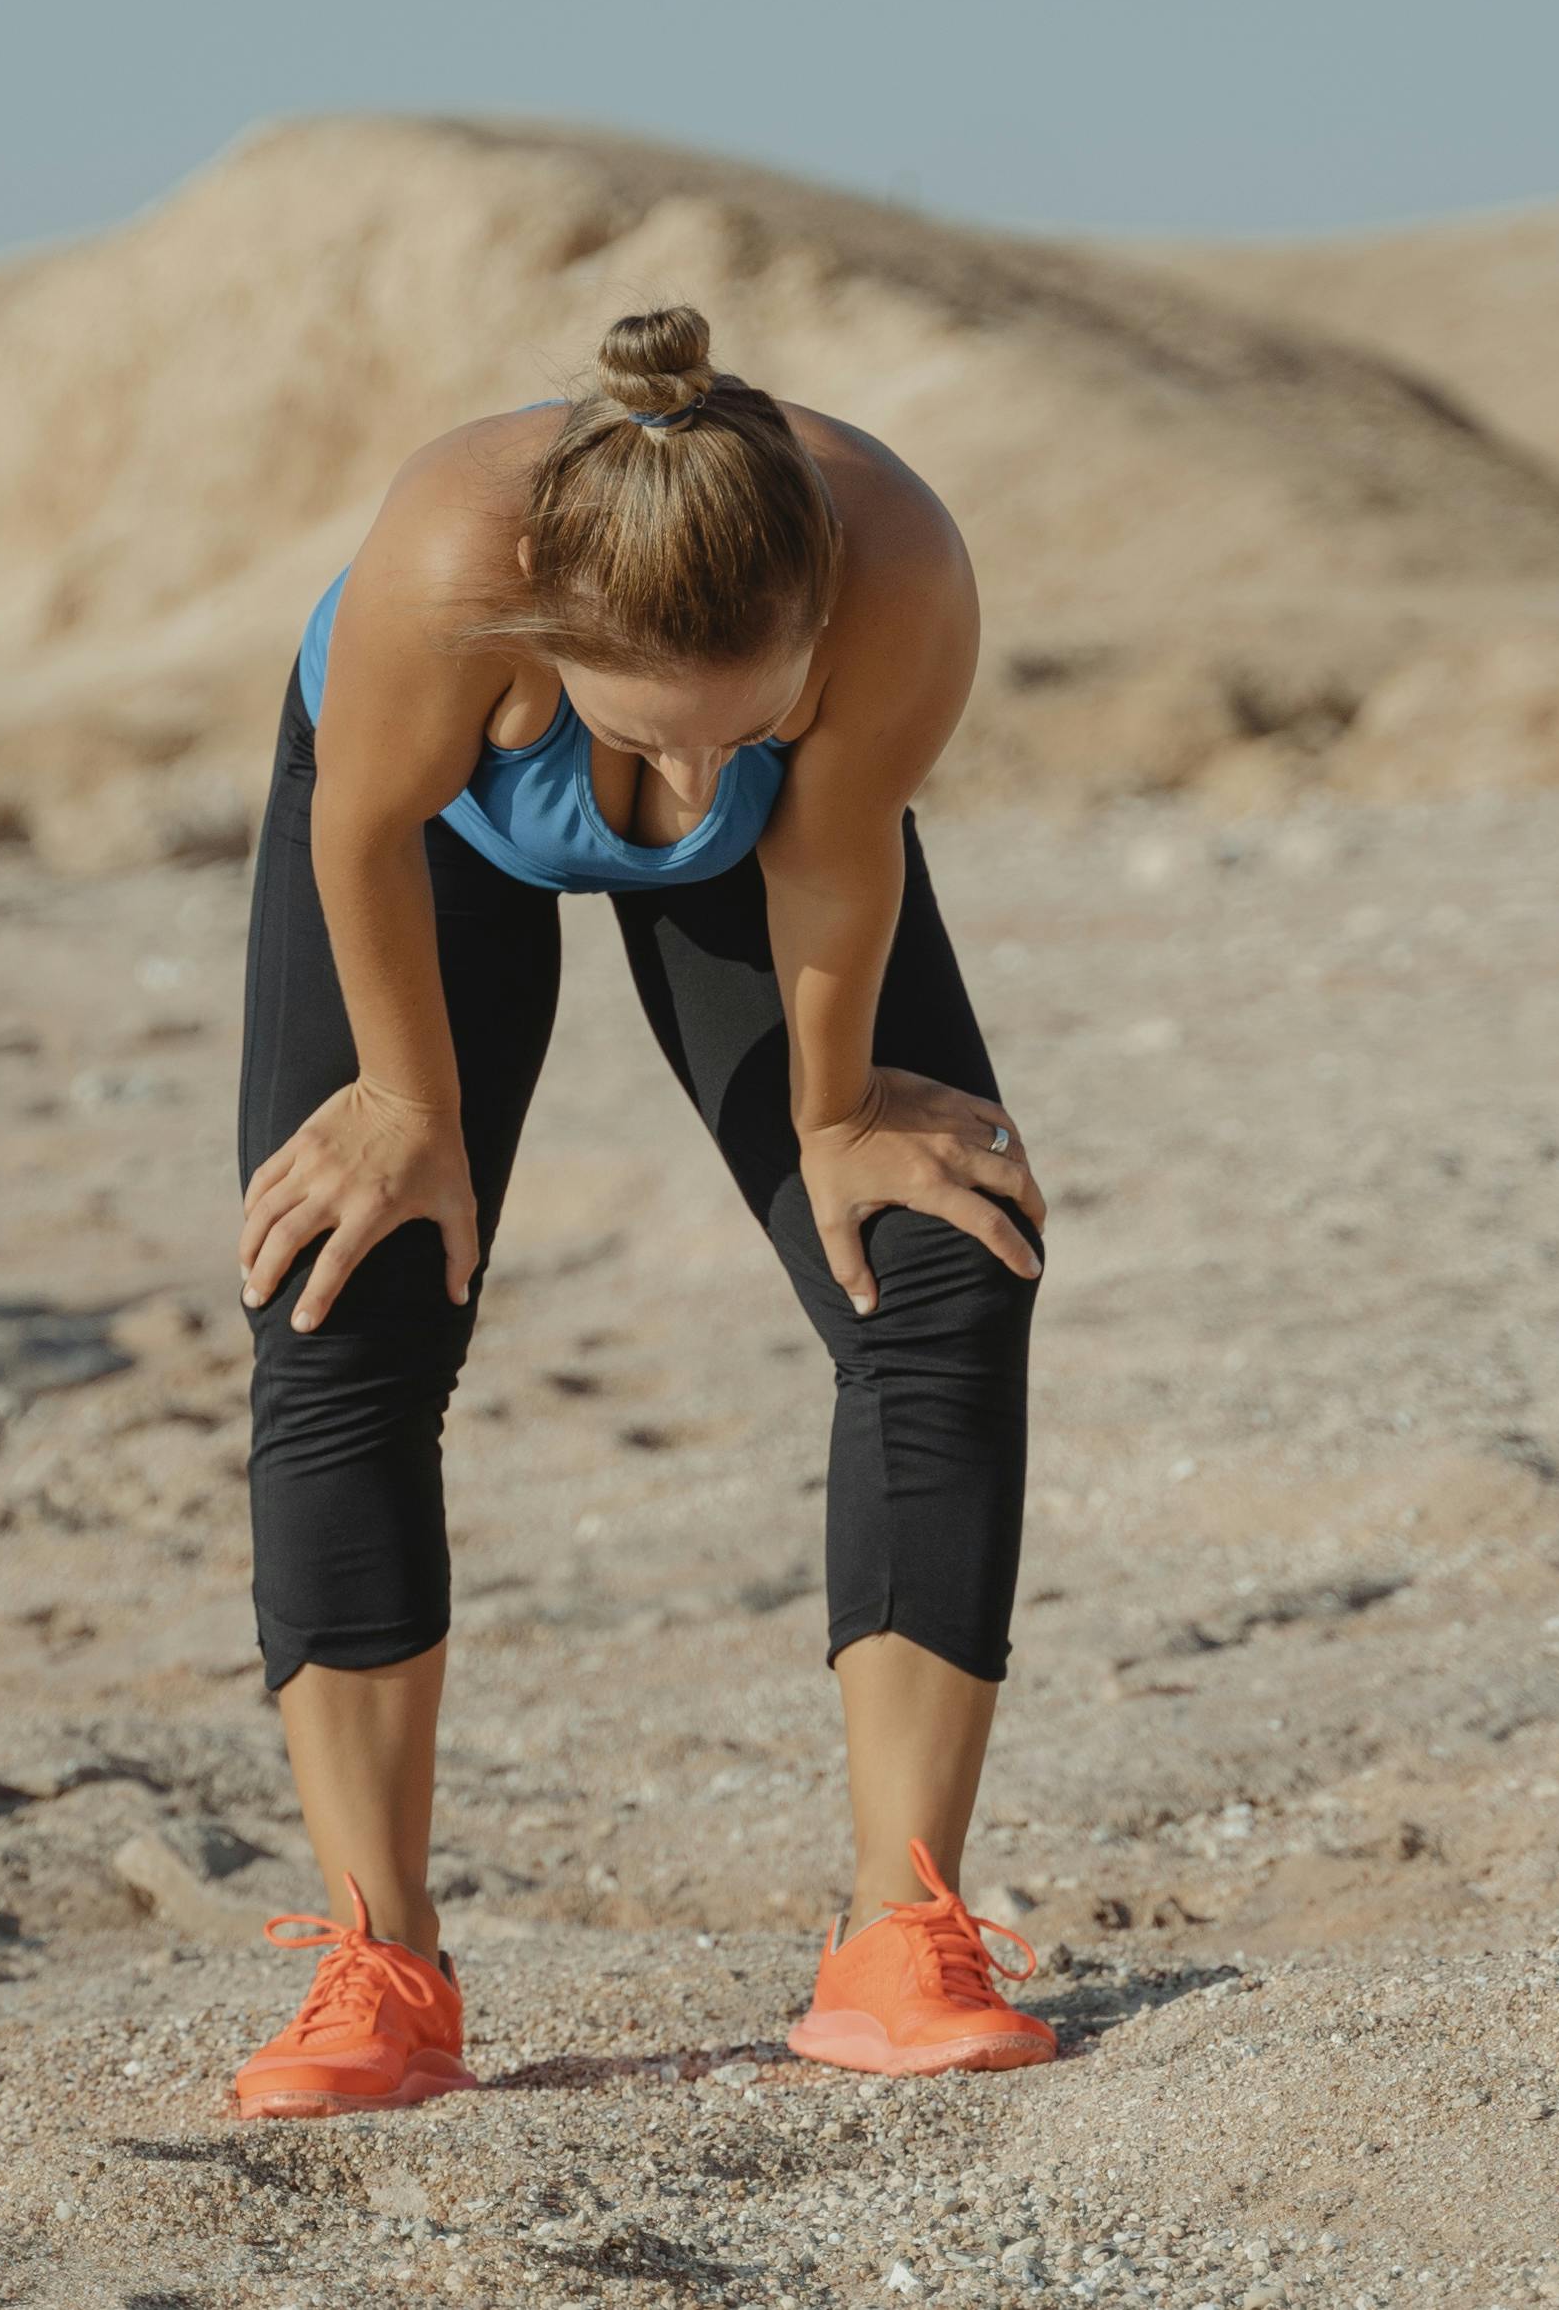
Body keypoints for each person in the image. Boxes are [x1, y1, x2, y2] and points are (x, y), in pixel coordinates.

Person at [226, 307, 1049, 2117]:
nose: (686, 787)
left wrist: (833, 1119)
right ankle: (381, 1961)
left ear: (809, 639)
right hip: (428, 831)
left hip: (801, 852)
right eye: (647, 739)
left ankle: (896, 1933)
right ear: (544, 640)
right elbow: (357, 829)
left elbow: (828, 848)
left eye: (728, 734)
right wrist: (405, 1110)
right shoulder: (449, 561)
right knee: (342, 1293)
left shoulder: (896, 571)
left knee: (942, 1264)